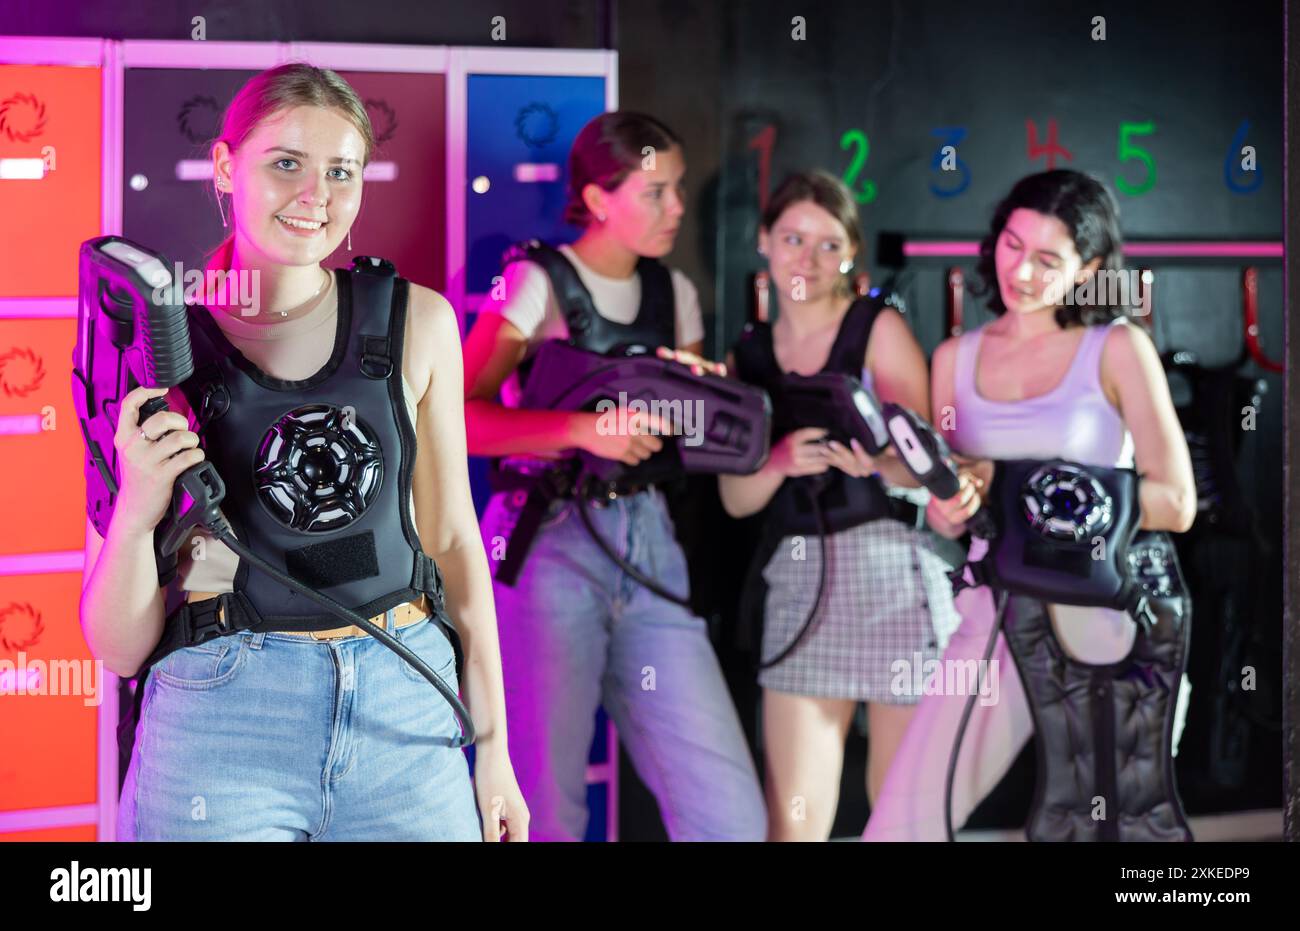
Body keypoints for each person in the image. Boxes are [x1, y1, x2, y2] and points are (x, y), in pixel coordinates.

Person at [80, 63, 526, 842]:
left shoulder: (416, 321)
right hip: (222, 721)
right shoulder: (152, 354)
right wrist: (138, 507)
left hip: (407, 707)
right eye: (287, 162)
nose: (317, 194)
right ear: (226, 166)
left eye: (341, 171)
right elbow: (119, 649)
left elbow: (455, 543)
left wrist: (493, 750)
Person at [862, 169, 1196, 840]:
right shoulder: (954, 358)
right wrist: (949, 506)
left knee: (1110, 830)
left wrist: (1023, 489)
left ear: (1091, 268)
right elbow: (951, 503)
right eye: (1013, 245)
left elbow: (1176, 500)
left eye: (1048, 258)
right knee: (903, 824)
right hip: (993, 609)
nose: (1021, 270)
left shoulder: (1118, 347)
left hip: (1105, 617)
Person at [462, 111, 766, 841]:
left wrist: (704, 400)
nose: (679, 208)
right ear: (599, 199)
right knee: (543, 803)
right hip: (547, 544)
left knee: (729, 814)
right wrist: (580, 429)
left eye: (680, 189)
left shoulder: (675, 293)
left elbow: (690, 440)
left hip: (650, 543)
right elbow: (456, 419)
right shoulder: (535, 283)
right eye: (657, 190)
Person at [720, 171, 961, 840]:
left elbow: (932, 465)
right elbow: (736, 500)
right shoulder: (749, 351)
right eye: (793, 238)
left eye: (829, 245)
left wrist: (878, 461)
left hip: (894, 573)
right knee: (793, 820)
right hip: (800, 581)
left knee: (902, 813)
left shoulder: (876, 326)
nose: (808, 258)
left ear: (851, 254)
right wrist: (777, 460)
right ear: (765, 242)